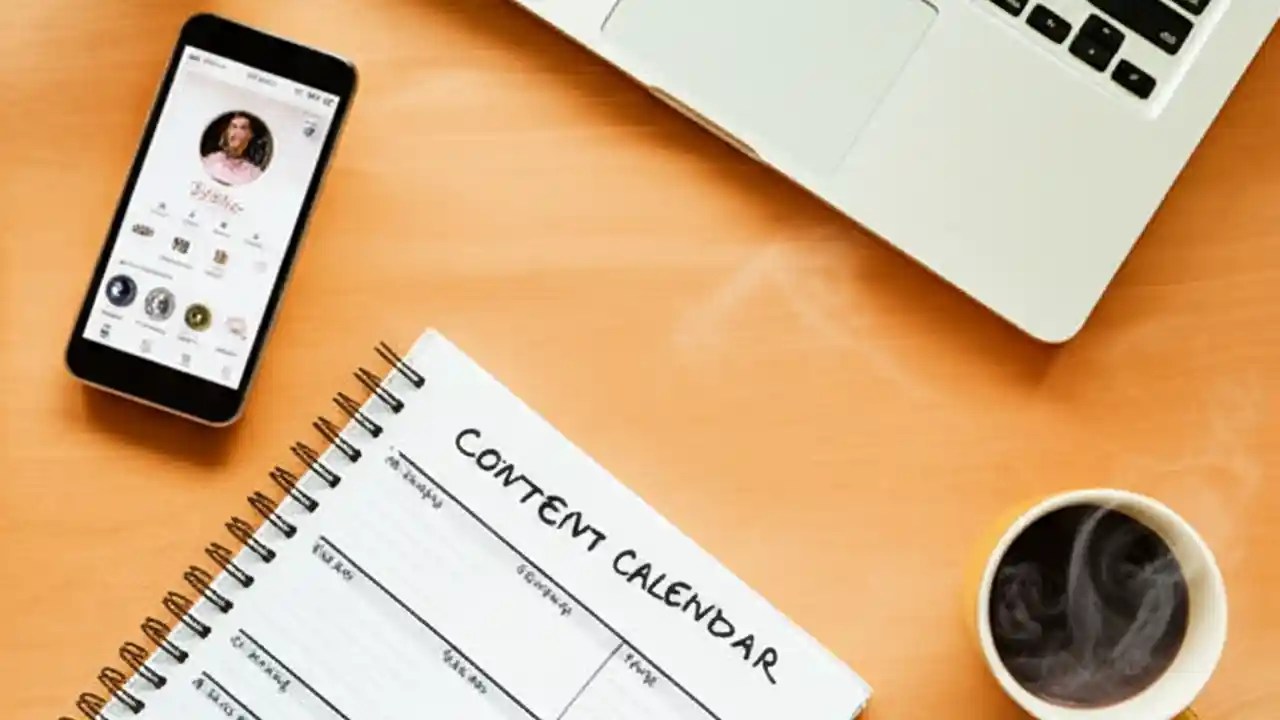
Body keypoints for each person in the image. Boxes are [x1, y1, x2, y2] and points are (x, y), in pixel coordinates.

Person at [203, 113, 265, 186]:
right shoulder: (212, 159)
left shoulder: (254, 174)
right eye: (234, 126)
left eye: (243, 128)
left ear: (250, 135)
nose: (236, 132)